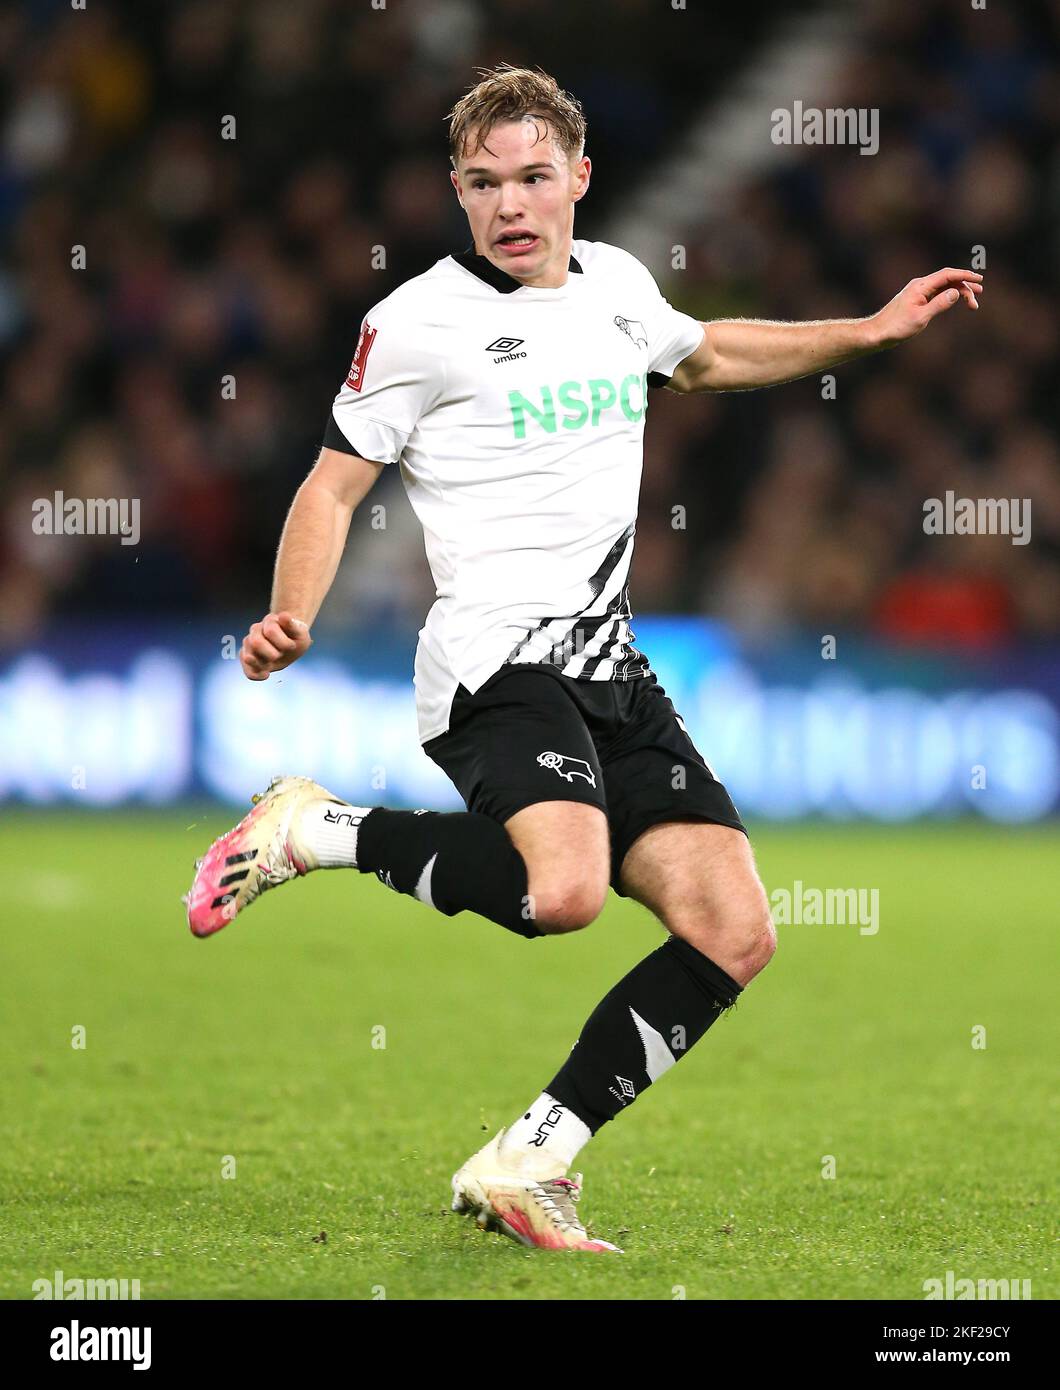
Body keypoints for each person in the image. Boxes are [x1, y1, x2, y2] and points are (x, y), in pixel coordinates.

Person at [185, 65, 982, 1253]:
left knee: (733, 929)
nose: (510, 205)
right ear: (457, 192)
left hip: (607, 665)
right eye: (482, 183)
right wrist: (289, 610)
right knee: (562, 892)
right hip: (491, 667)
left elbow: (704, 353)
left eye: (532, 178)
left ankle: (531, 1159)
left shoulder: (616, 285)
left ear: (579, 179)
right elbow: (334, 478)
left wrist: (865, 329)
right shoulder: (412, 324)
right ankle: (315, 831)